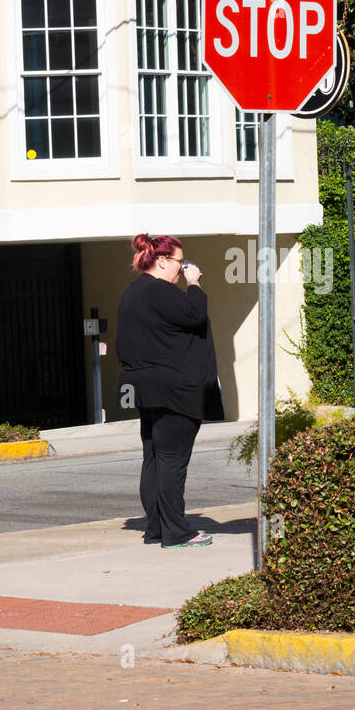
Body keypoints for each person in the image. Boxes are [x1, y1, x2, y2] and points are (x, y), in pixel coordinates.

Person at [116, 233, 224, 549]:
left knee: (155, 458)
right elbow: (195, 313)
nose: (183, 268)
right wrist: (193, 283)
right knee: (172, 461)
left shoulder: (132, 291)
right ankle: (177, 532)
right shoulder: (160, 290)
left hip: (146, 388)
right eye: (180, 261)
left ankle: (157, 529)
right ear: (162, 261)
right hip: (174, 390)